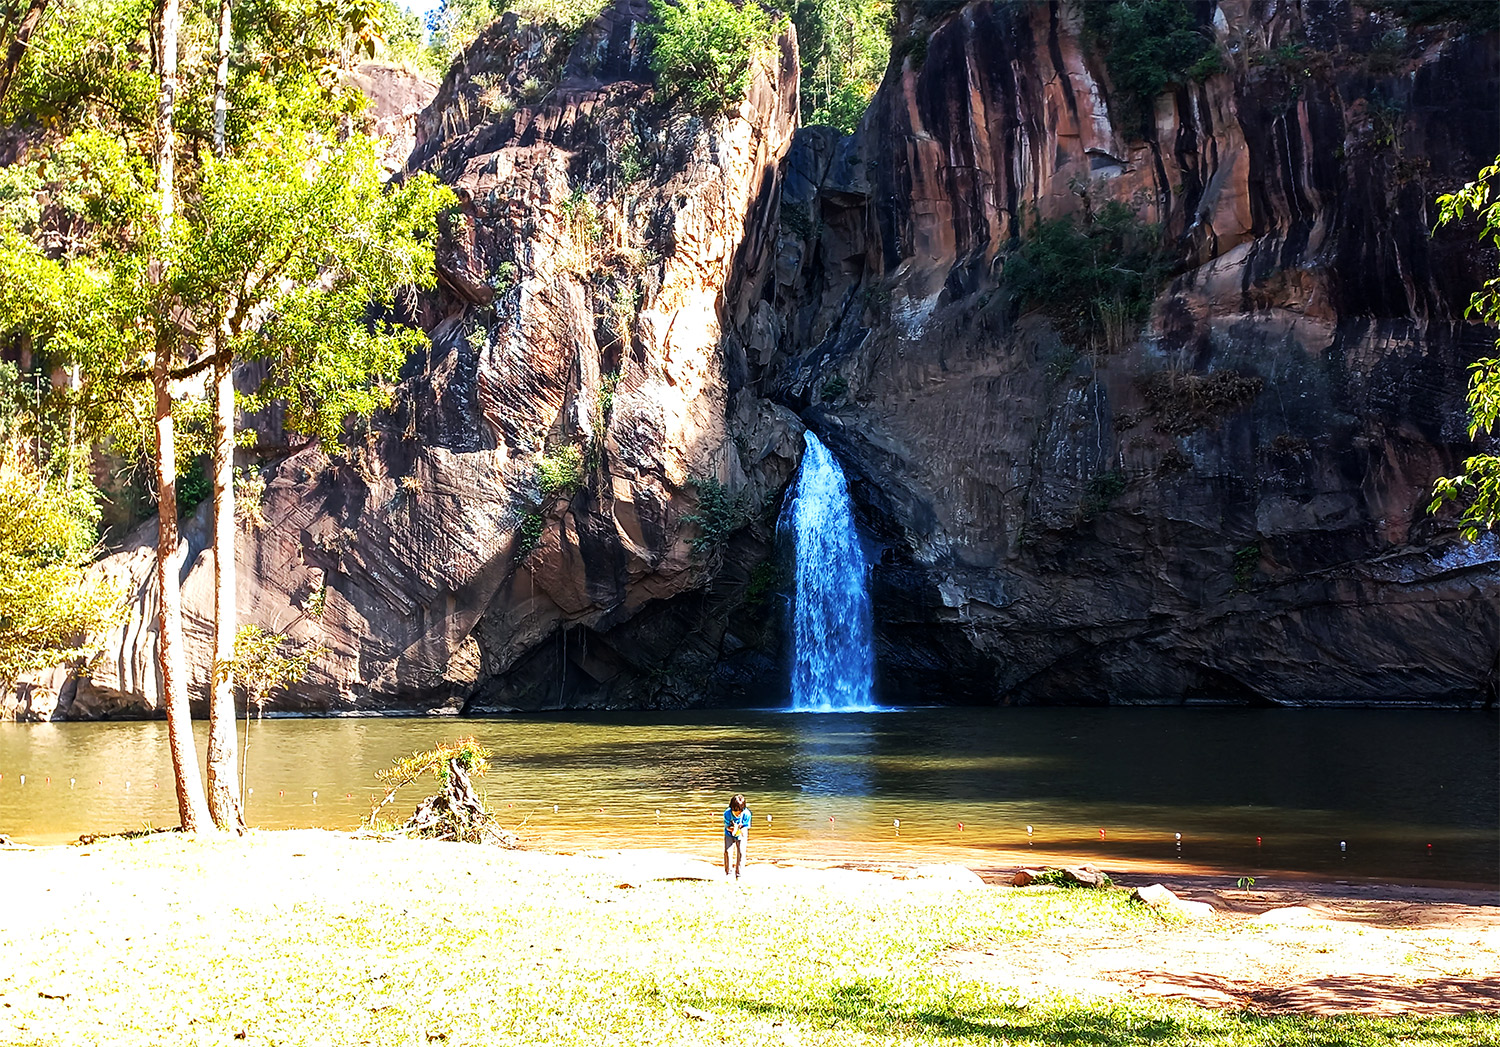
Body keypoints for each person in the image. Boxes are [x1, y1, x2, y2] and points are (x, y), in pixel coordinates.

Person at [722, 793, 750, 879]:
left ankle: (739, 874)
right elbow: (727, 826)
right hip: (729, 833)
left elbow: (745, 827)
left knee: (741, 852)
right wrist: (733, 829)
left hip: (741, 833)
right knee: (728, 851)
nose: (738, 814)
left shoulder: (746, 814)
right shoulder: (727, 813)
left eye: (740, 811)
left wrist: (738, 830)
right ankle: (728, 873)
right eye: (736, 812)